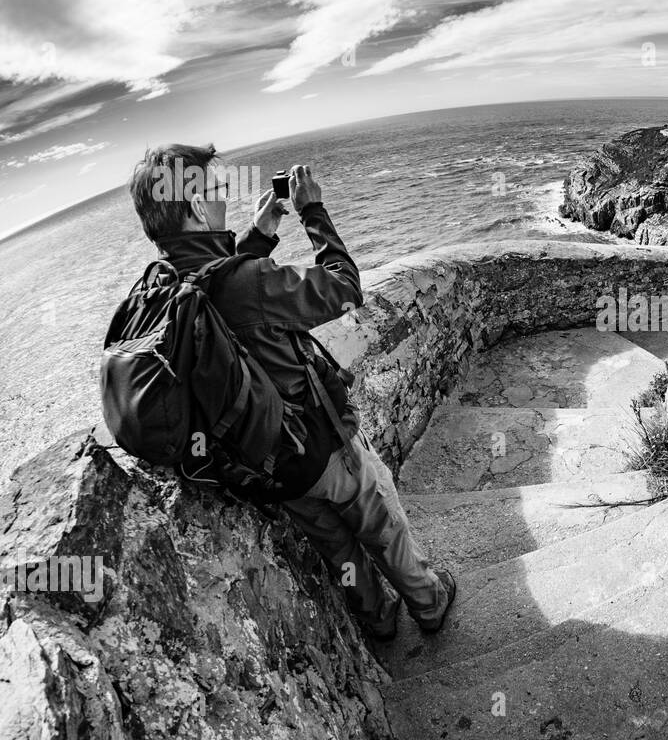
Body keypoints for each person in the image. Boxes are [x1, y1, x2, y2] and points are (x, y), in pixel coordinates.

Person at [126, 143, 455, 640]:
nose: (224, 197)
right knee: (383, 529)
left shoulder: (167, 287)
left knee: (339, 551)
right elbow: (344, 288)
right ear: (195, 206)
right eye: (216, 191)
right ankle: (428, 604)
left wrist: (259, 235)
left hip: (266, 468)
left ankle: (380, 622)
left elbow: (221, 290)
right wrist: (312, 211)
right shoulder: (248, 282)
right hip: (324, 448)